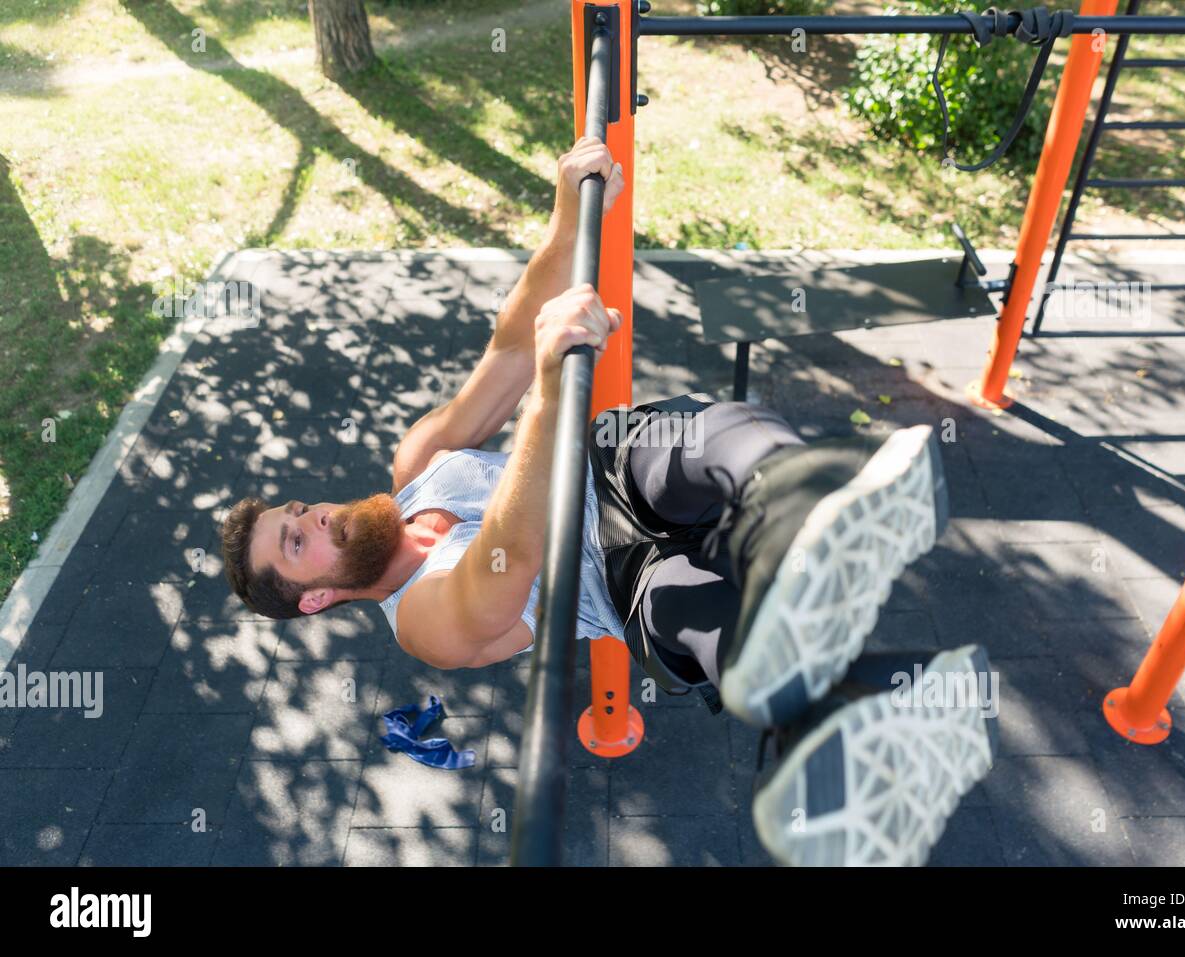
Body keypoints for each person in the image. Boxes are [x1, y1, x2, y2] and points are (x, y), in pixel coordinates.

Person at [220, 136, 998, 867]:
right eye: (297, 543)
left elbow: (514, 345)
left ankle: (809, 516)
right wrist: (551, 394)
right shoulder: (422, 627)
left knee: (710, 445)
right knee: (701, 625)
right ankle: (846, 725)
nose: (313, 516)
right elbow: (515, 556)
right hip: (618, 580)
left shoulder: (417, 462)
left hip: (611, 472)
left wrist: (566, 217)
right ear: (319, 596)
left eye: (297, 511)